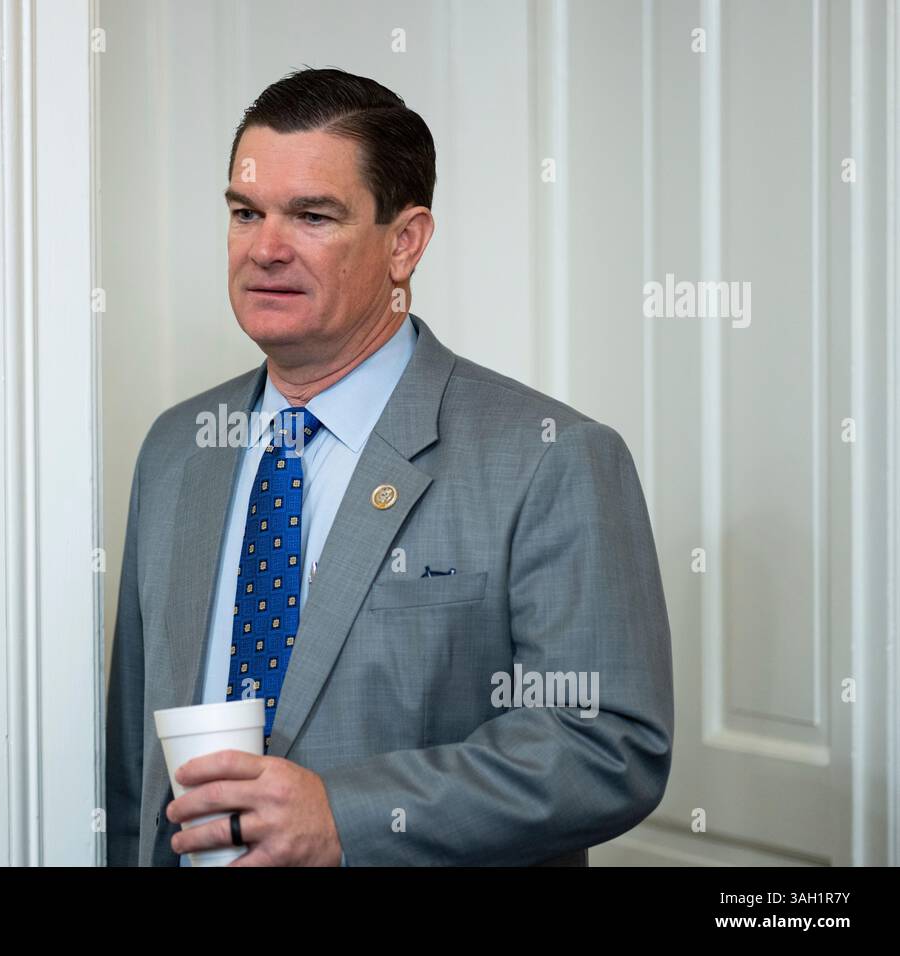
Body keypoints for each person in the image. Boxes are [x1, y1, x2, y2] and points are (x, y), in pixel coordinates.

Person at [106, 67, 673, 866]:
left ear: (403, 242)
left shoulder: (551, 457)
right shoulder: (176, 449)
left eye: (312, 216)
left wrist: (349, 815)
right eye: (245, 213)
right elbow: (134, 767)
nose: (265, 248)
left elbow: (608, 744)